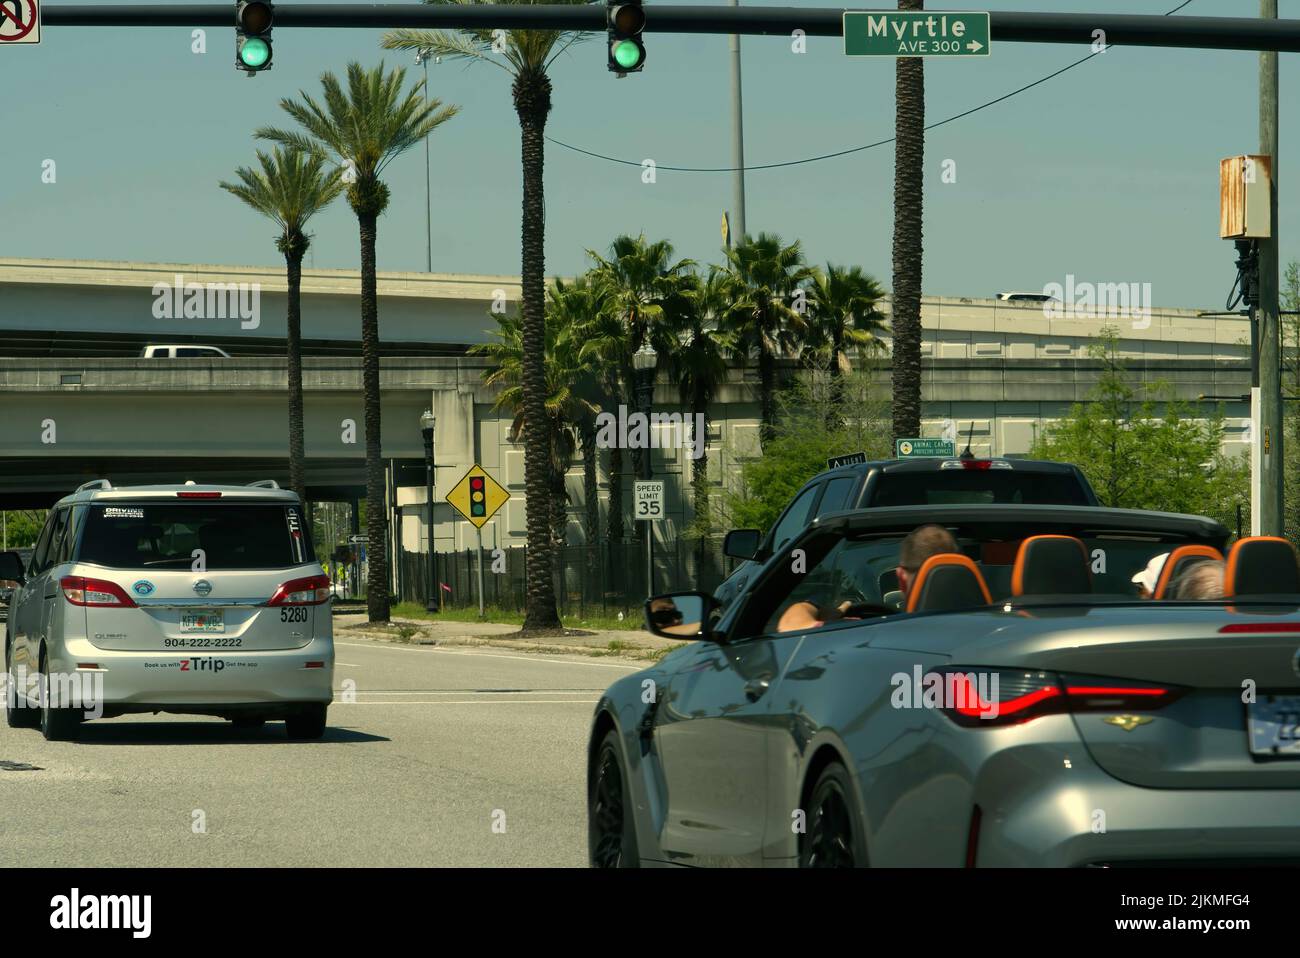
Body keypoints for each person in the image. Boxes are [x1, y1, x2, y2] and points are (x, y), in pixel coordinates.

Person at [776, 524, 959, 632]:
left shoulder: (865, 635)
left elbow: (790, 624)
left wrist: (825, 609)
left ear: (901, 579)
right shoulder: (986, 630)